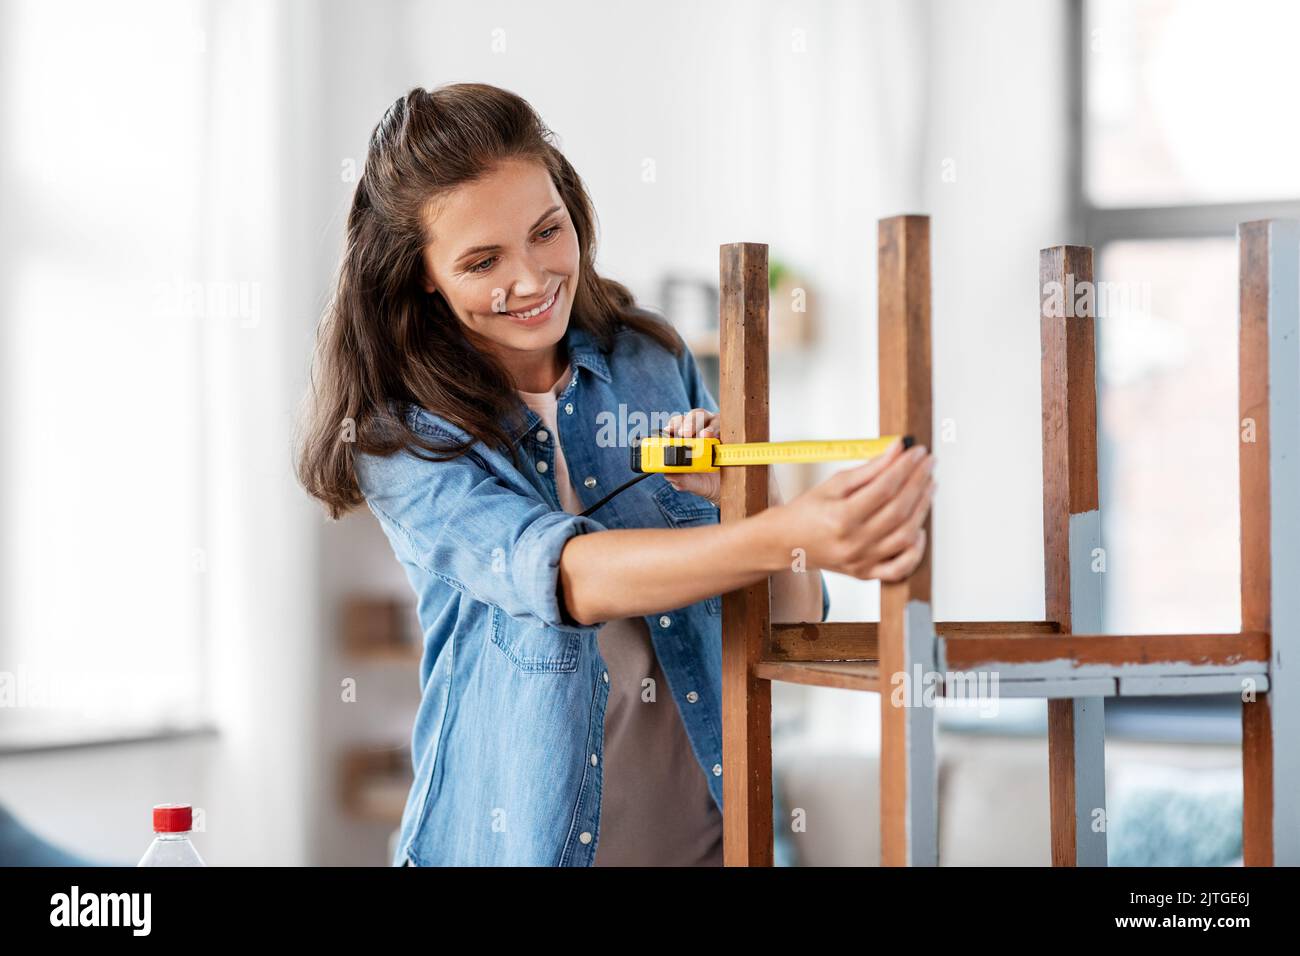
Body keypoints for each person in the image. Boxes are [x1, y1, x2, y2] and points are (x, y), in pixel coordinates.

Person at [295, 83, 934, 867]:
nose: (531, 280)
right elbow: (567, 579)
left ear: (570, 205)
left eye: (545, 231)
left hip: (713, 845)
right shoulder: (404, 438)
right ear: (423, 274)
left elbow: (780, 623)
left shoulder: (654, 361)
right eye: (482, 261)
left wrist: (757, 506)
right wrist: (786, 530)